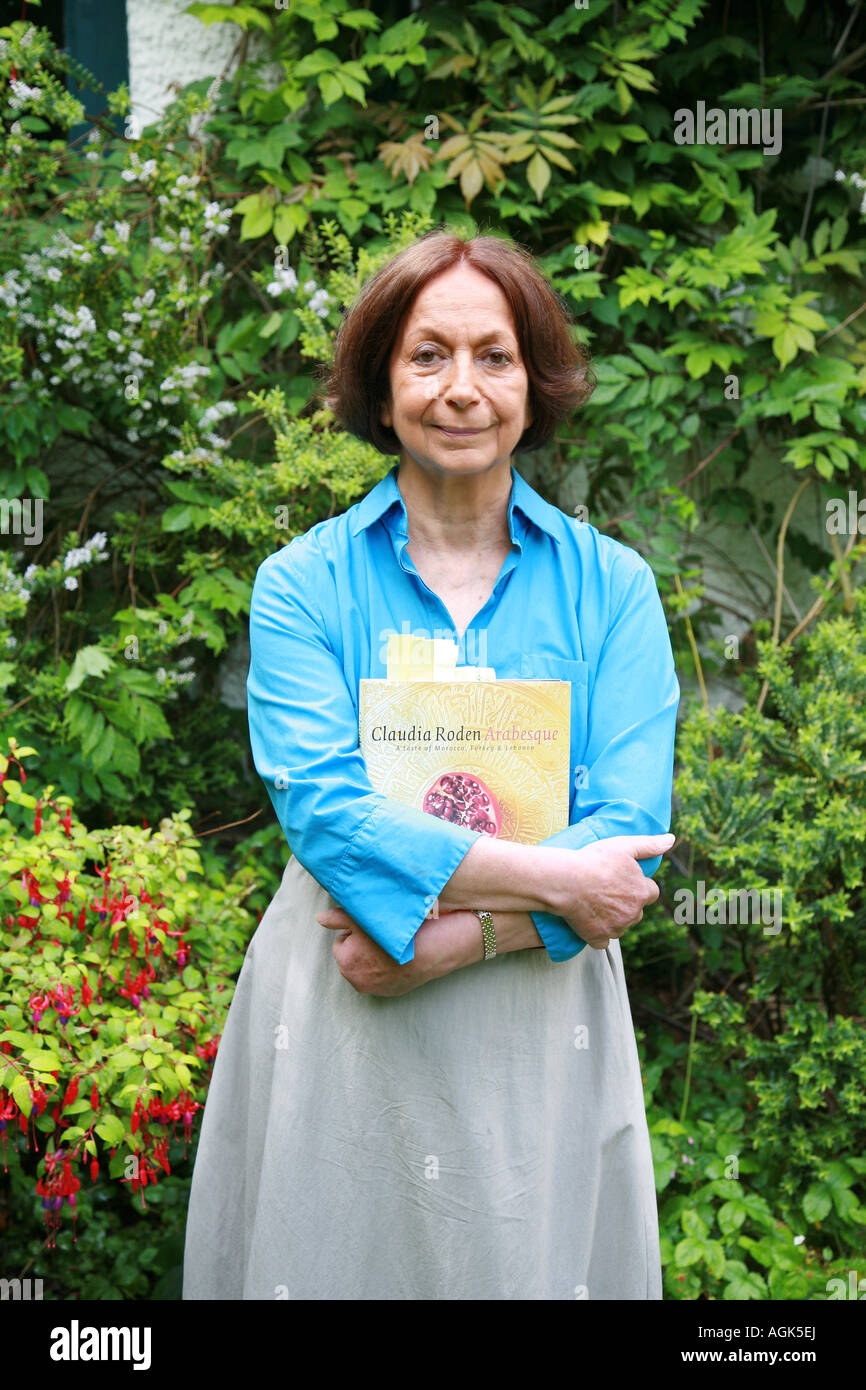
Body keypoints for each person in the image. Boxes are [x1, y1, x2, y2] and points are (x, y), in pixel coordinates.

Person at [182, 230, 679, 1301]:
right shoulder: (300, 584)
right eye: (427, 355)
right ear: (381, 380)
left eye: (493, 357)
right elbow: (325, 812)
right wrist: (556, 885)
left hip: (533, 1012)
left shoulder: (615, 589)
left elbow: (627, 825)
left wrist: (455, 944)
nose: (462, 389)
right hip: (344, 984)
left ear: (533, 381)